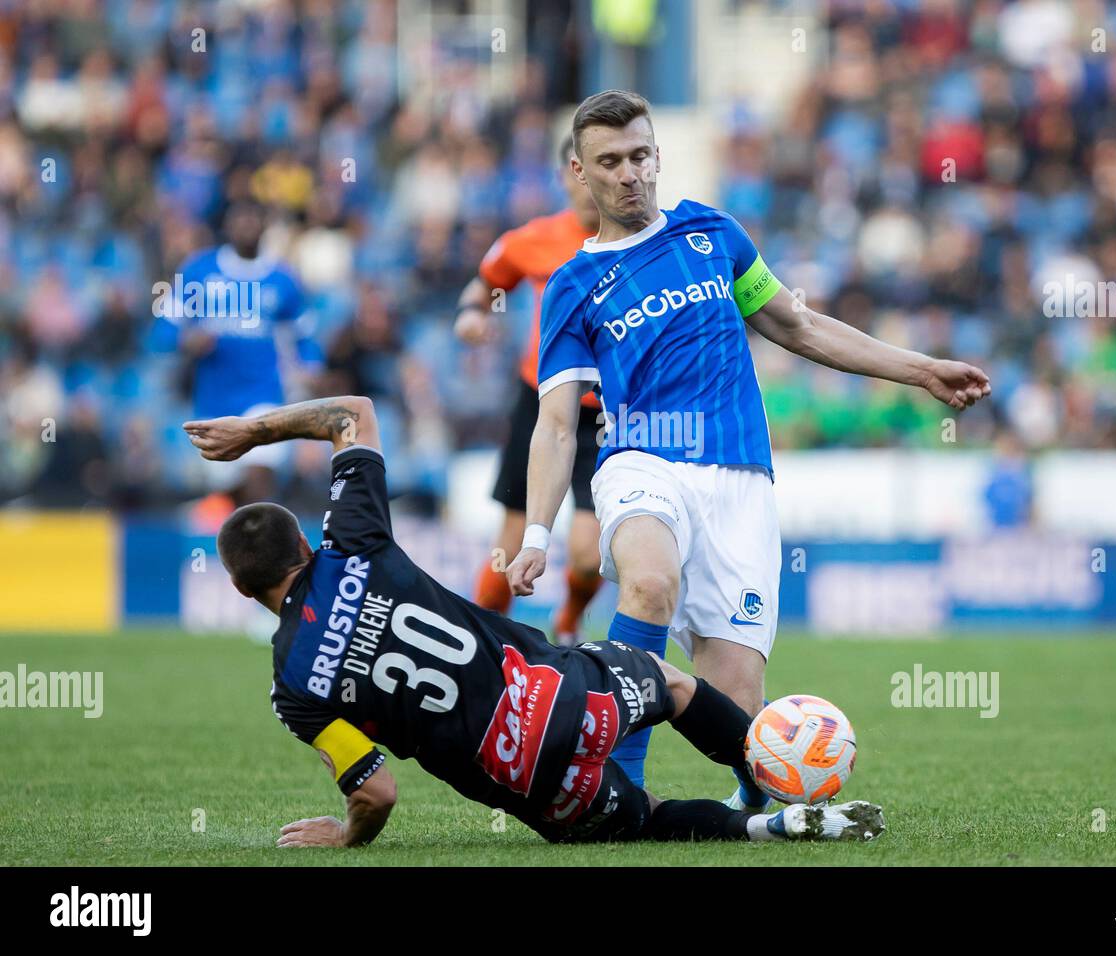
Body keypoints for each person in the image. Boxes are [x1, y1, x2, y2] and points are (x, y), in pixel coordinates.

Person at [507, 90, 991, 806]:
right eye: (610, 162)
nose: (630, 173)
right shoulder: (572, 286)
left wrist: (921, 370)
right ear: (581, 172)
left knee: (738, 707)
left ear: (658, 156)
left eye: (641, 155)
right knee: (647, 583)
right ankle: (620, 790)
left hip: (740, 479)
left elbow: (797, 326)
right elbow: (555, 424)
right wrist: (536, 533)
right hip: (642, 461)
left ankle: (759, 801)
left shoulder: (713, 233)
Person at [183, 395, 886, 845]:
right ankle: (767, 776)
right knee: (671, 687)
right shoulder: (353, 545)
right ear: (306, 544)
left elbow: (376, 791)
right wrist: (257, 428)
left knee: (641, 821)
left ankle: (766, 829)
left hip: (523, 777)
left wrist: (345, 836)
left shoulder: (292, 685)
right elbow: (353, 414)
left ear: (246, 592)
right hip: (560, 696)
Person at [454, 135, 604, 646]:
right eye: (578, 170)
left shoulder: (640, 243)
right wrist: (473, 313)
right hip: (541, 406)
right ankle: (480, 642)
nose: (588, 183)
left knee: (590, 552)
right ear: (566, 175)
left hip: (606, 415)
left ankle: (567, 624)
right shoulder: (532, 240)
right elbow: (489, 282)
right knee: (511, 543)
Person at [150, 199, 321, 506]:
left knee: (259, 478)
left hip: (264, 396)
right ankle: (231, 538)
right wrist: (187, 341)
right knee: (232, 496)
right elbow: (162, 331)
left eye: (254, 219)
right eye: (240, 218)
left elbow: (304, 336)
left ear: (265, 226)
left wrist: (311, 367)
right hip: (214, 401)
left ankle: (271, 551)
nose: (247, 225)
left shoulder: (282, 279)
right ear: (227, 225)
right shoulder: (198, 272)